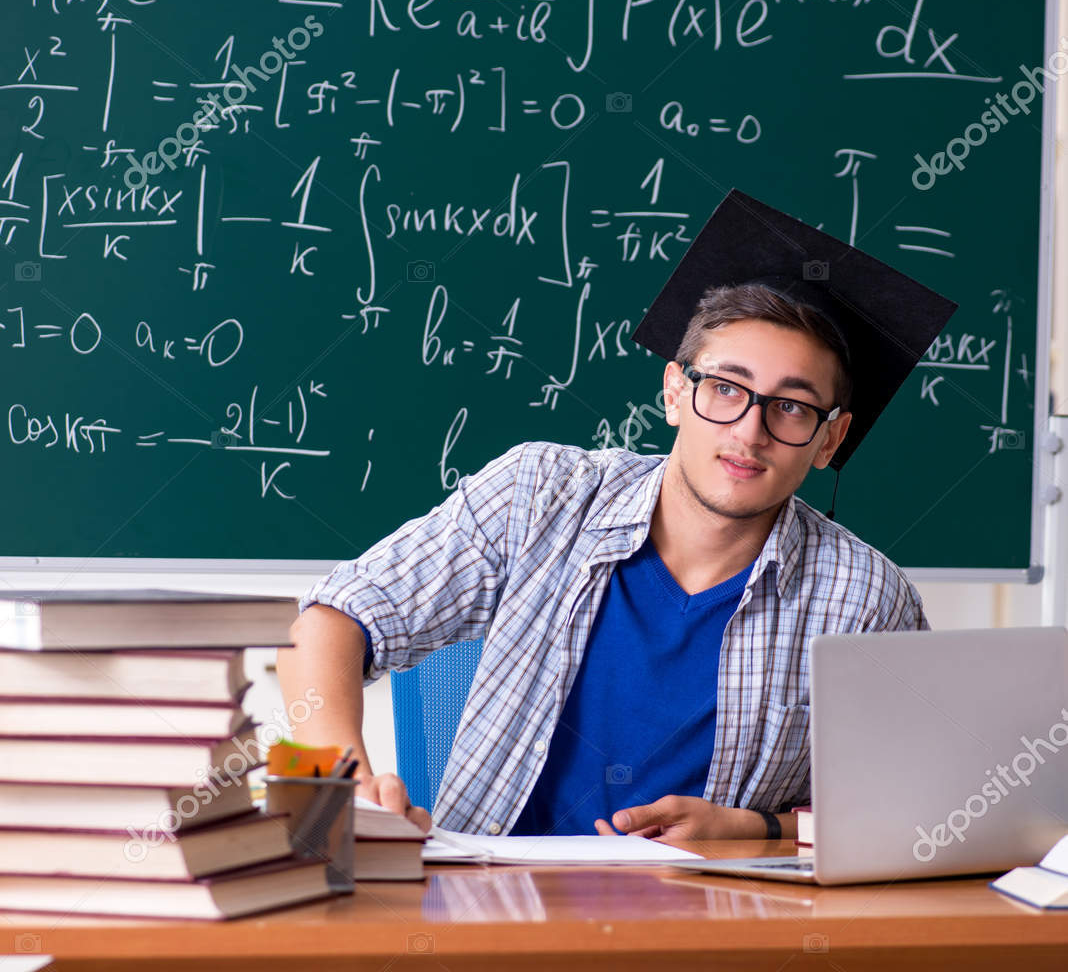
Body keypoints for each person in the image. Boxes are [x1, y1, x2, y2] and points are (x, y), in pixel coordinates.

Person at [279, 187, 957, 844]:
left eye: (791, 406)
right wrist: (339, 780)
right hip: (488, 895)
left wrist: (757, 829)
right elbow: (331, 621)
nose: (749, 432)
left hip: (723, 912)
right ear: (674, 392)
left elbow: (911, 804)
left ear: (830, 440)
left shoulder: (866, 598)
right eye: (726, 388)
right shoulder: (540, 495)